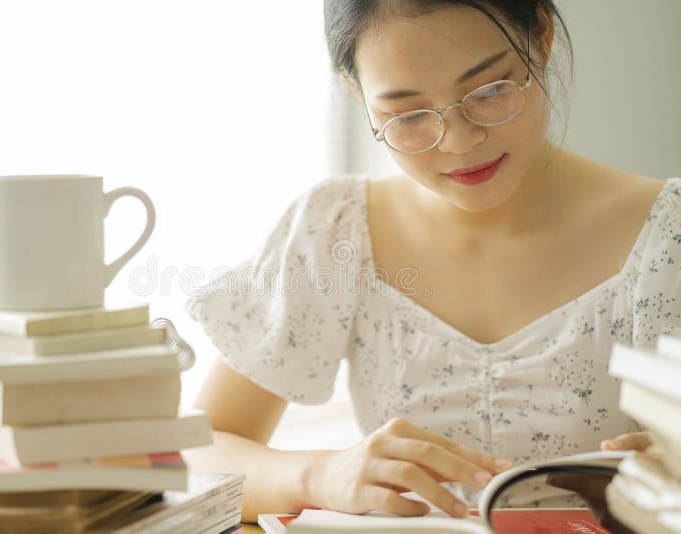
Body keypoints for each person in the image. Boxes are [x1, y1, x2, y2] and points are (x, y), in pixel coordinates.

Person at [183, 0, 680, 523]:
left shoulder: (666, 239)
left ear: (542, 34)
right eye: (408, 115)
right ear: (358, 95)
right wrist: (318, 475)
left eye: (489, 91)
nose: (460, 143)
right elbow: (200, 453)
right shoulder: (337, 232)